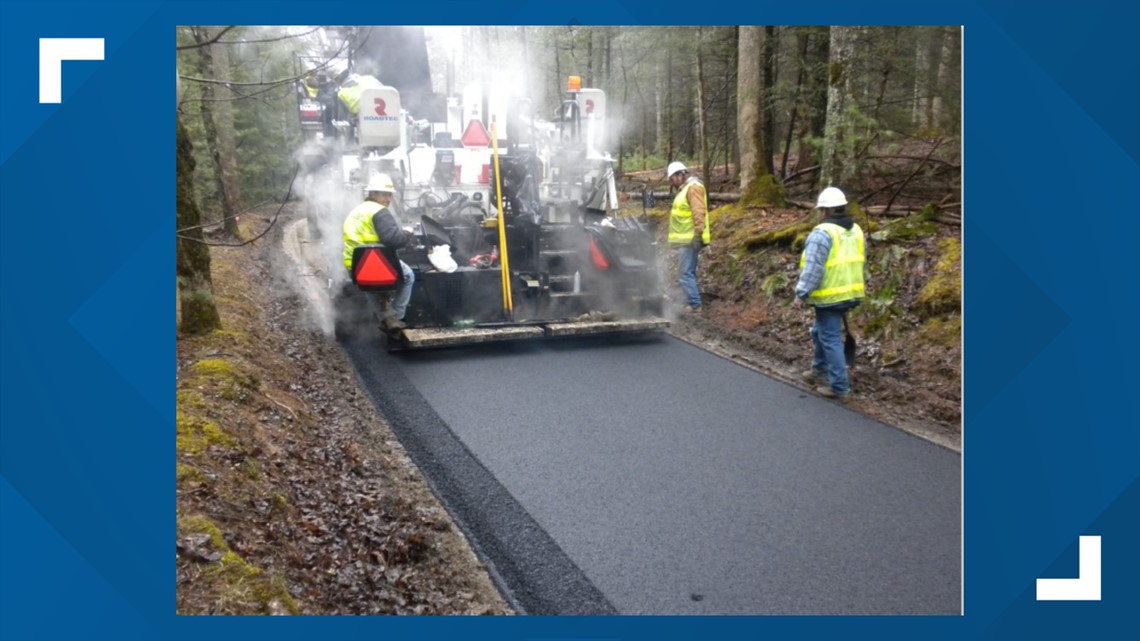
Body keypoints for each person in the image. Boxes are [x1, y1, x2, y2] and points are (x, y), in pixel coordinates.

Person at [793, 186, 866, 399]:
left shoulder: (822, 233)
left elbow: (813, 268)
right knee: (821, 332)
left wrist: (801, 293)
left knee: (830, 338)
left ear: (824, 211)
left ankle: (839, 386)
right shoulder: (856, 230)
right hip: (851, 292)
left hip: (830, 295)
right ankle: (819, 369)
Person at [343, 174, 416, 331]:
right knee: (409, 275)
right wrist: (407, 233)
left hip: (354, 267)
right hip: (375, 264)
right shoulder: (380, 211)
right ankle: (397, 317)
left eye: (389, 195)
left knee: (368, 284)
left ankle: (384, 318)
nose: (388, 199)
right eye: (384, 195)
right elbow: (392, 240)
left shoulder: (355, 211)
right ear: (373, 194)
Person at [666, 161, 710, 312]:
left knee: (686, 273)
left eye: (672, 179)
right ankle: (690, 302)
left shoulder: (693, 188)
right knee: (686, 272)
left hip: (690, 240)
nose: (672, 183)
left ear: (680, 175)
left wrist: (697, 235)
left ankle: (694, 304)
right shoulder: (685, 189)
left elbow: (698, 212)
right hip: (686, 240)